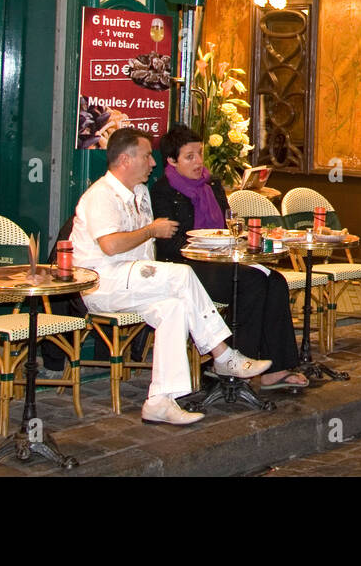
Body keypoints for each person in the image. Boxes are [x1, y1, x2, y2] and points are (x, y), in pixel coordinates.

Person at [70, 127, 270, 425]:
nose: (153, 163)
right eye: (147, 156)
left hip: (135, 280)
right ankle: (222, 353)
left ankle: (160, 400)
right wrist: (152, 230)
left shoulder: (138, 192)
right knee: (182, 275)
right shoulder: (100, 195)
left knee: (173, 308)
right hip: (103, 282)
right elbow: (110, 245)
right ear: (125, 159)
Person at [149, 125, 307, 391]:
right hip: (187, 266)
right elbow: (168, 246)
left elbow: (228, 224)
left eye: (200, 154)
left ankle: (276, 368)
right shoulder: (164, 191)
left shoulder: (212, 184)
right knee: (250, 282)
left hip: (221, 259)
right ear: (172, 161)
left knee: (276, 280)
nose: (198, 162)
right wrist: (205, 247)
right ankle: (233, 364)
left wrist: (236, 239)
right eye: (190, 156)